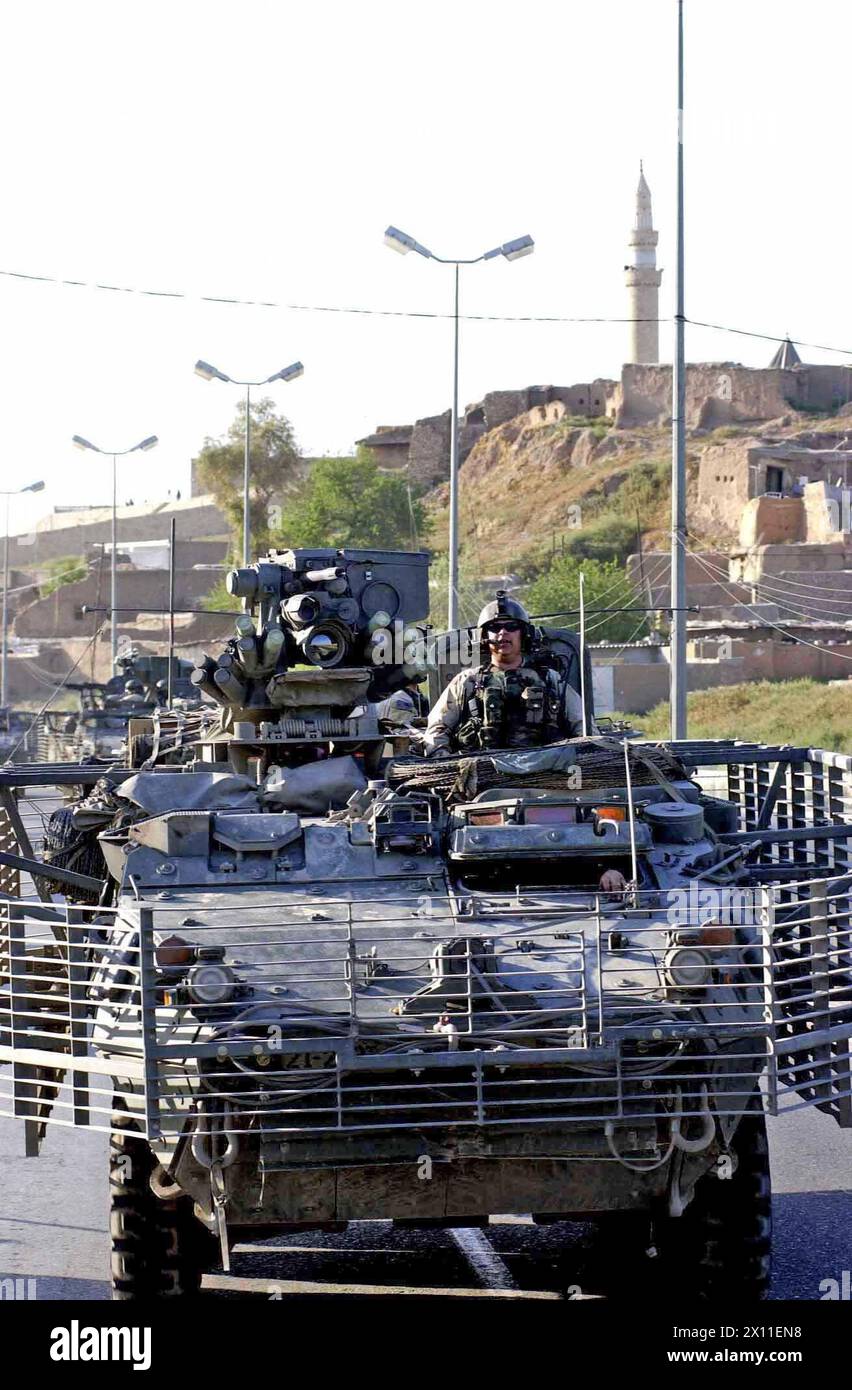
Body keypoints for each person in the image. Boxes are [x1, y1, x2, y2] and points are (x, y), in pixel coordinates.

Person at [423, 593, 591, 757]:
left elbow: (582, 726)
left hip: (545, 772)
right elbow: (437, 728)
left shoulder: (550, 679)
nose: (503, 633)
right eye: (494, 628)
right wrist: (444, 761)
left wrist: (581, 757)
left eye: (511, 627)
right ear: (484, 636)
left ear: (524, 633)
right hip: (483, 774)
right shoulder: (467, 682)